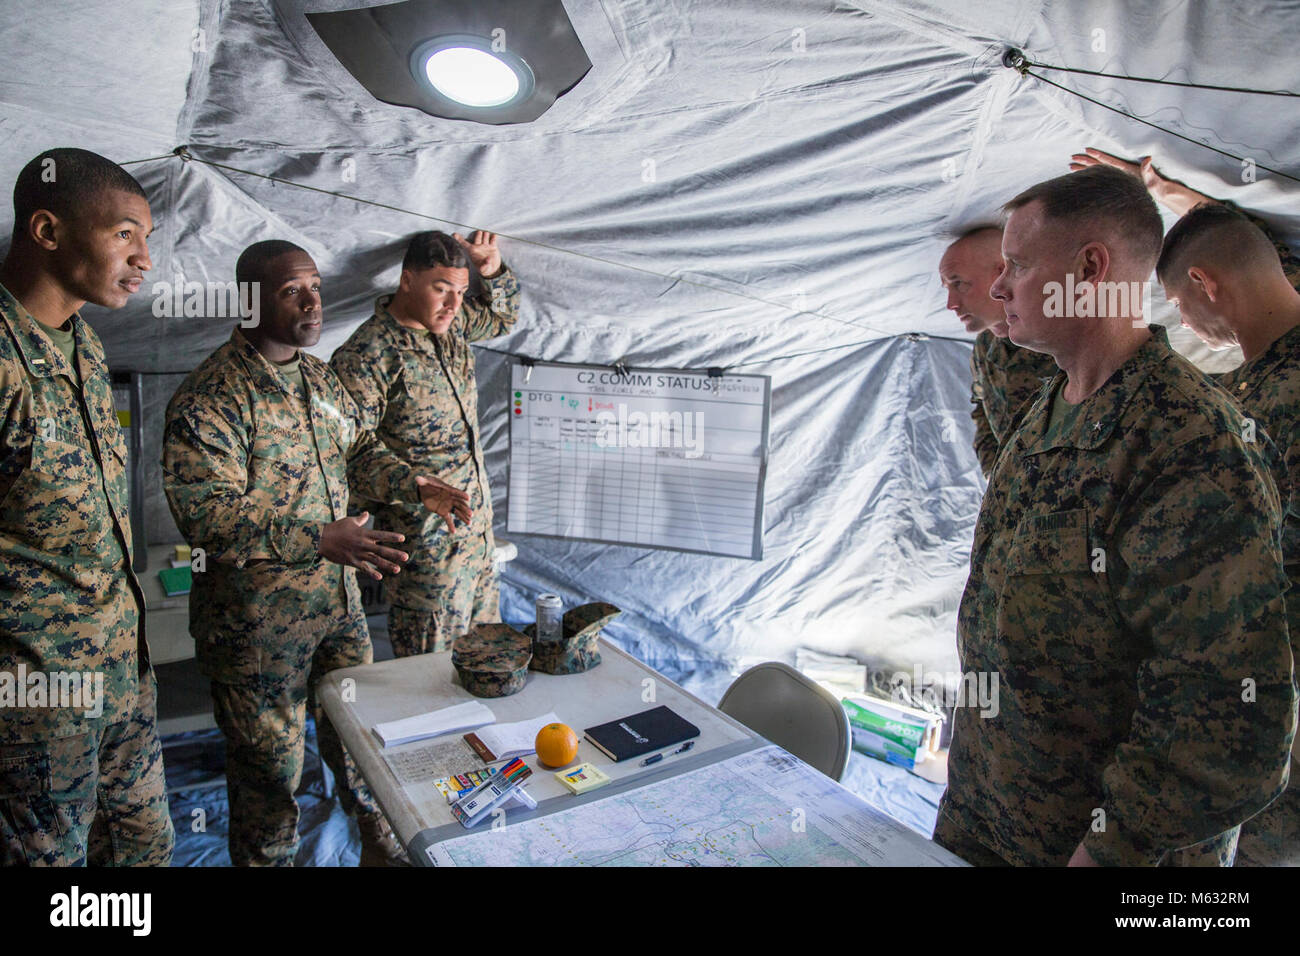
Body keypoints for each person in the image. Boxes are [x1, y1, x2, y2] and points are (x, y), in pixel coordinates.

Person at [933, 165, 1295, 866]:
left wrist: (1112, 849)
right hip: (994, 821)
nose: (1000, 286)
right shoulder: (1048, 412)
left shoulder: (1187, 441)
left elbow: (1230, 716)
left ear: (1089, 268)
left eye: (1016, 264)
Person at [161, 240, 469, 866]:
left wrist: (414, 482)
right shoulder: (210, 398)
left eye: (317, 289)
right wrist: (318, 538)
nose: (312, 305)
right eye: (291, 291)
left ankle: (379, 843)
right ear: (249, 301)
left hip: (335, 608)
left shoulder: (317, 375)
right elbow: (207, 514)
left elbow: (358, 448)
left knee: (361, 748)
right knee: (268, 780)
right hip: (256, 630)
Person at [0, 148, 173, 865]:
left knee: (143, 854)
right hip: (34, 706)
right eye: (125, 234)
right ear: (48, 230)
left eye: (147, 241)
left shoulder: (85, 347)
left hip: (119, 676)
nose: (144, 260)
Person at [1157, 203, 1300, 866]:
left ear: (1207, 284)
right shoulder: (1252, 386)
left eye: (1178, 301)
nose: (1184, 323)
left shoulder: (1262, 404)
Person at [331, 230, 520, 656]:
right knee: (430, 682)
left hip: (477, 545)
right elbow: (345, 453)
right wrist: (412, 486)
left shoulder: (452, 326)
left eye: (461, 291)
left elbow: (504, 318)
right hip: (425, 555)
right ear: (407, 281)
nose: (454, 304)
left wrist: (490, 268)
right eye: (441, 289)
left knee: (486, 665)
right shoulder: (368, 355)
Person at [940, 226, 1056, 475]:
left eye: (959, 284)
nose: (951, 303)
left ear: (1001, 273)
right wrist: (997, 478)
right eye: (947, 288)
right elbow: (982, 411)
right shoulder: (984, 347)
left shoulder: (1062, 334)